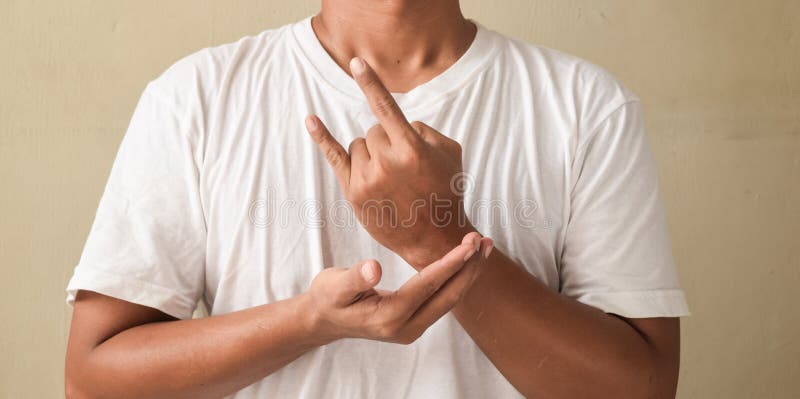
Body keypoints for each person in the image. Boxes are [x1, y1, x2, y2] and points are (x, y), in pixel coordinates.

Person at [64, 1, 690, 398]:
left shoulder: (586, 107)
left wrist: (437, 237)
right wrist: (310, 322)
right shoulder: (195, 97)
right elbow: (92, 381)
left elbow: (641, 387)